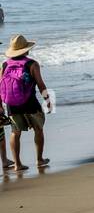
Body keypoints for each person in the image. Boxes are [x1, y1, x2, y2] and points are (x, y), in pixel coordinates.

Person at [2, 35, 52, 169]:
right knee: (38, 129)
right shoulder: (32, 64)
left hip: (11, 104)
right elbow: (41, 84)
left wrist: (0, 105)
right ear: (26, 49)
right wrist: (48, 100)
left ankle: (17, 164)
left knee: (15, 132)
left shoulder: (5, 64)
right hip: (30, 103)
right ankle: (39, 160)